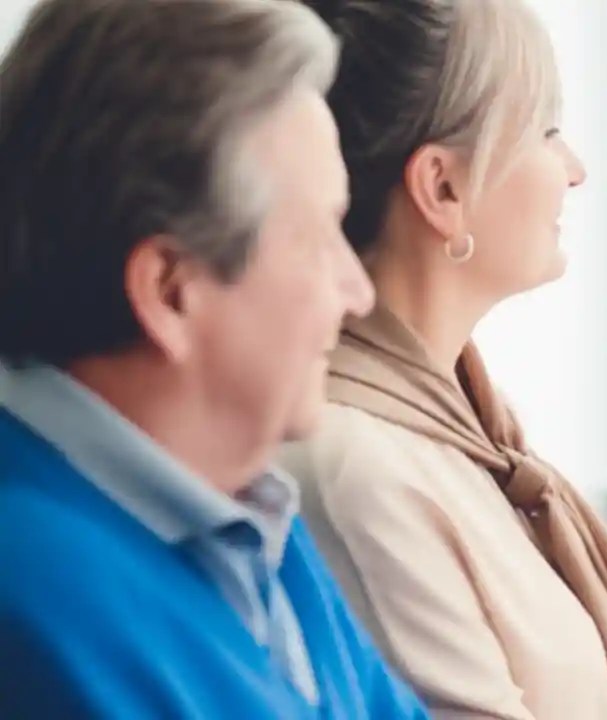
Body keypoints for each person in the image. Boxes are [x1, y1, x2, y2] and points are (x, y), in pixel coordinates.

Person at [277, 1, 607, 718]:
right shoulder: (356, 470)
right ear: (443, 188)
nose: (575, 171)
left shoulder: (472, 436)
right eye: (547, 130)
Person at [0, 1, 430, 717]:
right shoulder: (32, 592)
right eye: (320, 237)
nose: (357, 292)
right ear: (171, 292)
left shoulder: (251, 518)